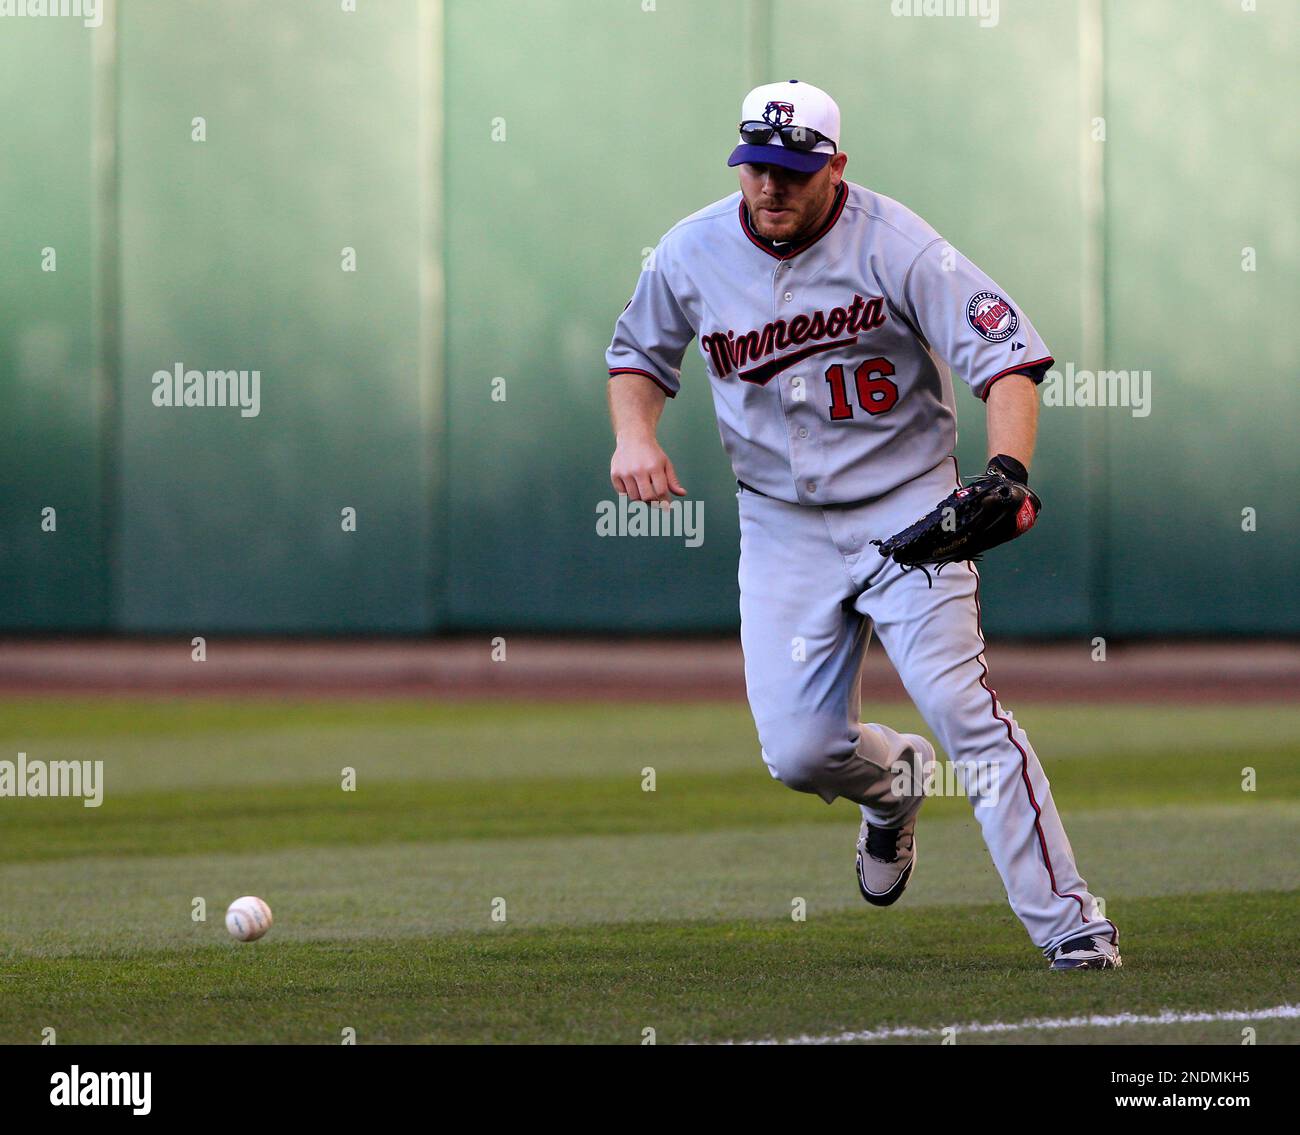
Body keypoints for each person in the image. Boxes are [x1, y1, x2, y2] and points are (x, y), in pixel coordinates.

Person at [605, 79, 1119, 969]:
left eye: (793, 171)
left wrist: (1006, 471)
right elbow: (638, 353)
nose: (771, 187)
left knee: (967, 713)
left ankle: (1070, 924)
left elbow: (1008, 357)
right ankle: (898, 786)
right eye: (757, 167)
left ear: (836, 167)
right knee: (800, 753)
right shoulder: (690, 251)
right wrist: (633, 434)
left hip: (910, 509)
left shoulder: (897, 244)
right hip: (780, 523)